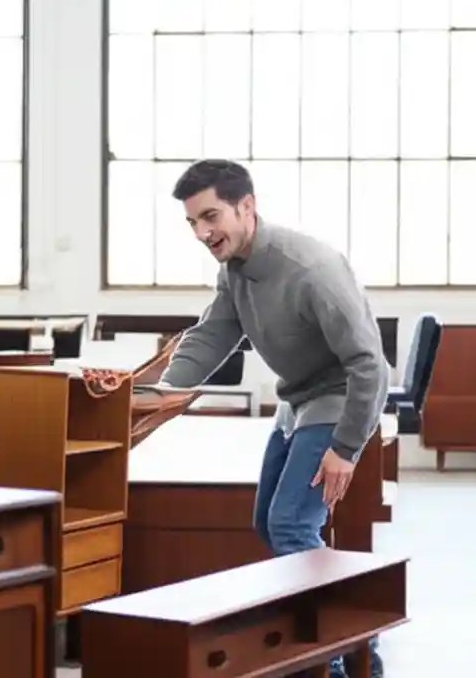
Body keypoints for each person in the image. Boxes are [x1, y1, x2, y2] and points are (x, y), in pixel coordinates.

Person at [157, 159, 390, 678]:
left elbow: (370, 364)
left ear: (248, 206)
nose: (201, 233)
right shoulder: (235, 268)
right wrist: (161, 395)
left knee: (290, 524)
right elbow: (213, 334)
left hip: (339, 398)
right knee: (268, 521)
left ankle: (344, 659)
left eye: (210, 216)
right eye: (192, 222)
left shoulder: (311, 269)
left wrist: (347, 447)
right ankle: (354, 645)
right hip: (297, 404)